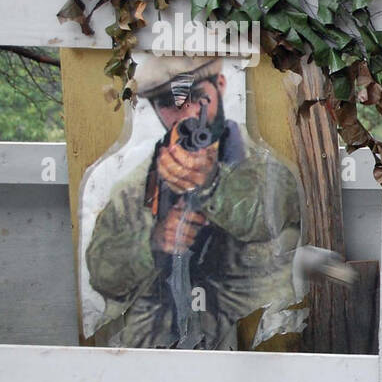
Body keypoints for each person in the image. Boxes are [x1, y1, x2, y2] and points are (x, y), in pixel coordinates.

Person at [85, 56, 302, 350]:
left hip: (254, 345)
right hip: (151, 348)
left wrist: (210, 185)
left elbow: (268, 215)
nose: (186, 114)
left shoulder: (266, 168)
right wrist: (153, 243)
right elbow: (101, 272)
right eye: (168, 103)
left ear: (220, 86)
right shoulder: (133, 186)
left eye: (196, 98)